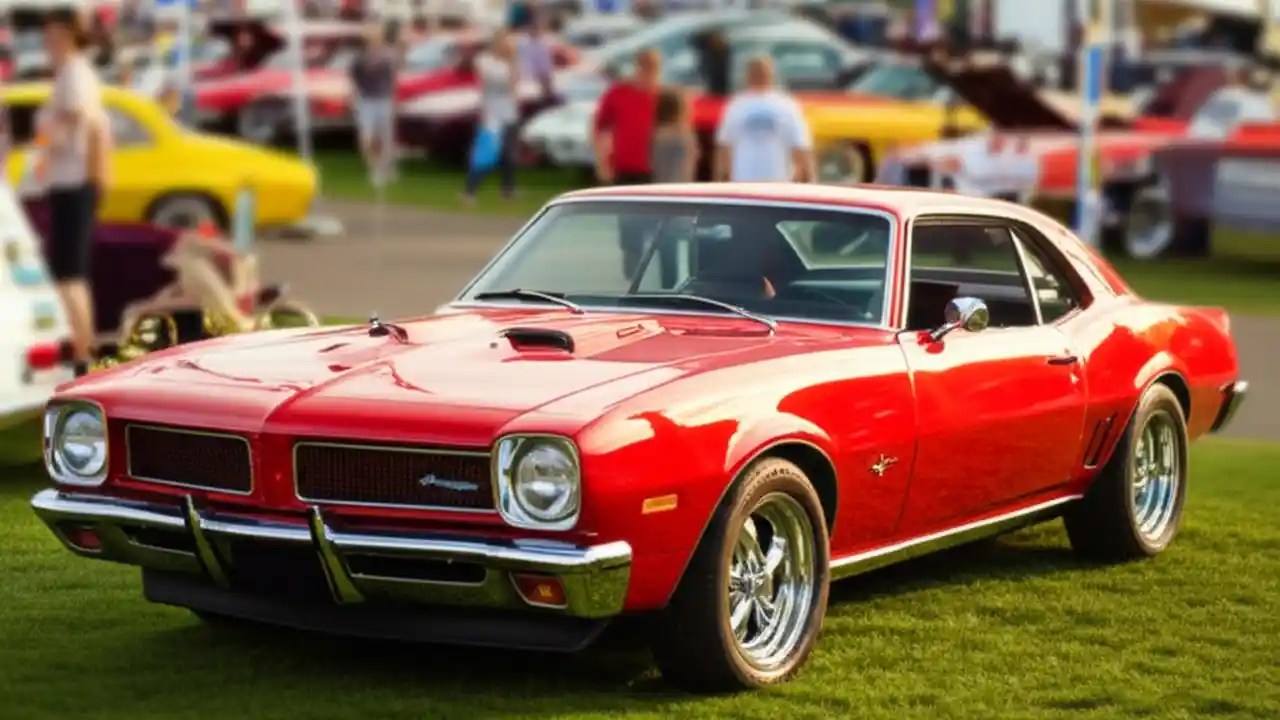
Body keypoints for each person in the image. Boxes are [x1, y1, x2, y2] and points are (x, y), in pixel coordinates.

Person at [39, 9, 109, 375]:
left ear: (66, 35)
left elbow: (88, 121)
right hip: (68, 182)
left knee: (70, 273)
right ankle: (81, 346)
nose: (47, 44)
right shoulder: (69, 73)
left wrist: (53, 137)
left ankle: (84, 352)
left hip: (73, 182)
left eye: (51, 36)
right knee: (68, 273)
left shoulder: (75, 74)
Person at [714, 56, 815, 183]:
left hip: (779, 182)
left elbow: (800, 144)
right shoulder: (735, 106)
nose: (758, 76)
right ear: (748, 76)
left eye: (762, 72)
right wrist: (721, 178)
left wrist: (807, 174)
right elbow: (724, 145)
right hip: (743, 182)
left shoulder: (787, 105)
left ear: (771, 74)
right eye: (755, 72)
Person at [461, 31, 520, 204]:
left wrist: (512, 62)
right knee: (487, 152)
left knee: (508, 153)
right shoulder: (485, 61)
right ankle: (470, 190)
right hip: (492, 111)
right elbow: (492, 82)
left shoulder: (511, 62)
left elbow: (513, 84)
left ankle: (508, 189)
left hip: (509, 111)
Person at [592, 48, 660, 185]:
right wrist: (602, 164)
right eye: (644, 66)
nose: (647, 72)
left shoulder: (663, 97)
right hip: (622, 168)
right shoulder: (618, 93)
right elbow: (599, 129)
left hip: (655, 168)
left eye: (652, 67)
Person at [349, 23, 398, 183]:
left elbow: (393, 79)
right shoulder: (359, 58)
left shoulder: (389, 56)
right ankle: (375, 169)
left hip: (384, 100)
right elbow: (353, 79)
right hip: (366, 101)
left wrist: (394, 98)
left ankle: (386, 168)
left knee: (385, 137)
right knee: (367, 137)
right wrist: (354, 98)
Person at [650, 87, 696, 183]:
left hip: (659, 184)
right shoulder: (684, 135)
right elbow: (690, 162)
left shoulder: (656, 135)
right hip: (680, 186)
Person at [519, 12, 556, 101]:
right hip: (529, 82)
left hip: (539, 80)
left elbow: (546, 66)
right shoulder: (523, 44)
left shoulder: (544, 44)